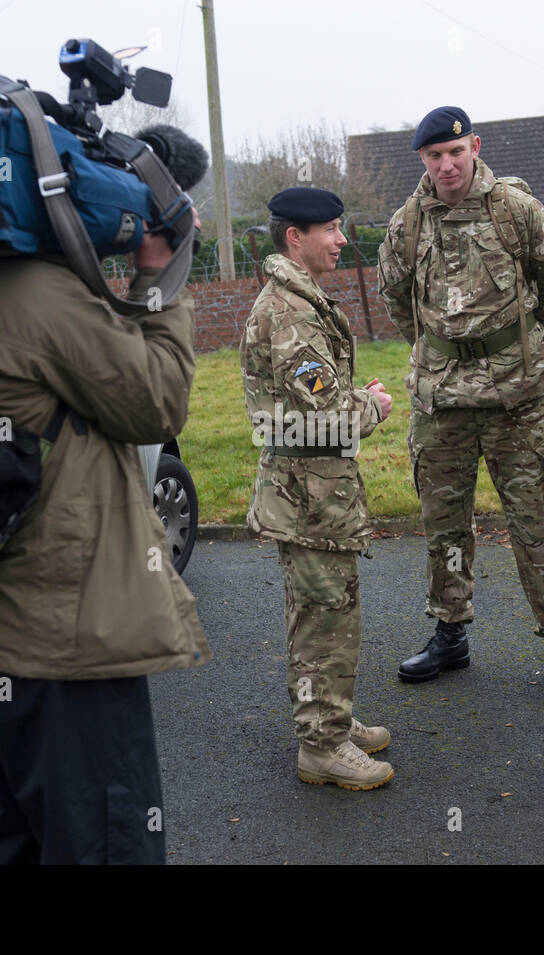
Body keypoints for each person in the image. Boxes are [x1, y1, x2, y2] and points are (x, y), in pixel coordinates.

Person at [0, 68, 212, 865]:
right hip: (58, 650)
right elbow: (156, 402)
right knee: (106, 847)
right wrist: (159, 273)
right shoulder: (35, 296)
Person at [377, 106, 544, 687]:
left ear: (474, 147)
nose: (446, 165)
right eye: (434, 156)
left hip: (517, 399)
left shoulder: (516, 210)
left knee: (535, 522)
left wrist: (531, 344)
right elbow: (396, 296)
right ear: (423, 160)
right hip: (441, 402)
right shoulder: (407, 224)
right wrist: (440, 352)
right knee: (444, 525)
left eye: (455, 152)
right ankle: (449, 636)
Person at [240, 186, 396, 791]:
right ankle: (322, 746)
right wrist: (374, 406)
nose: (340, 239)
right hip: (308, 496)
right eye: (330, 229)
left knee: (328, 613)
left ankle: (331, 717)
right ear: (294, 238)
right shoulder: (290, 314)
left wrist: (353, 398)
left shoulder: (298, 299)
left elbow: (313, 399)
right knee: (322, 623)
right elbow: (330, 413)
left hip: (316, 491)